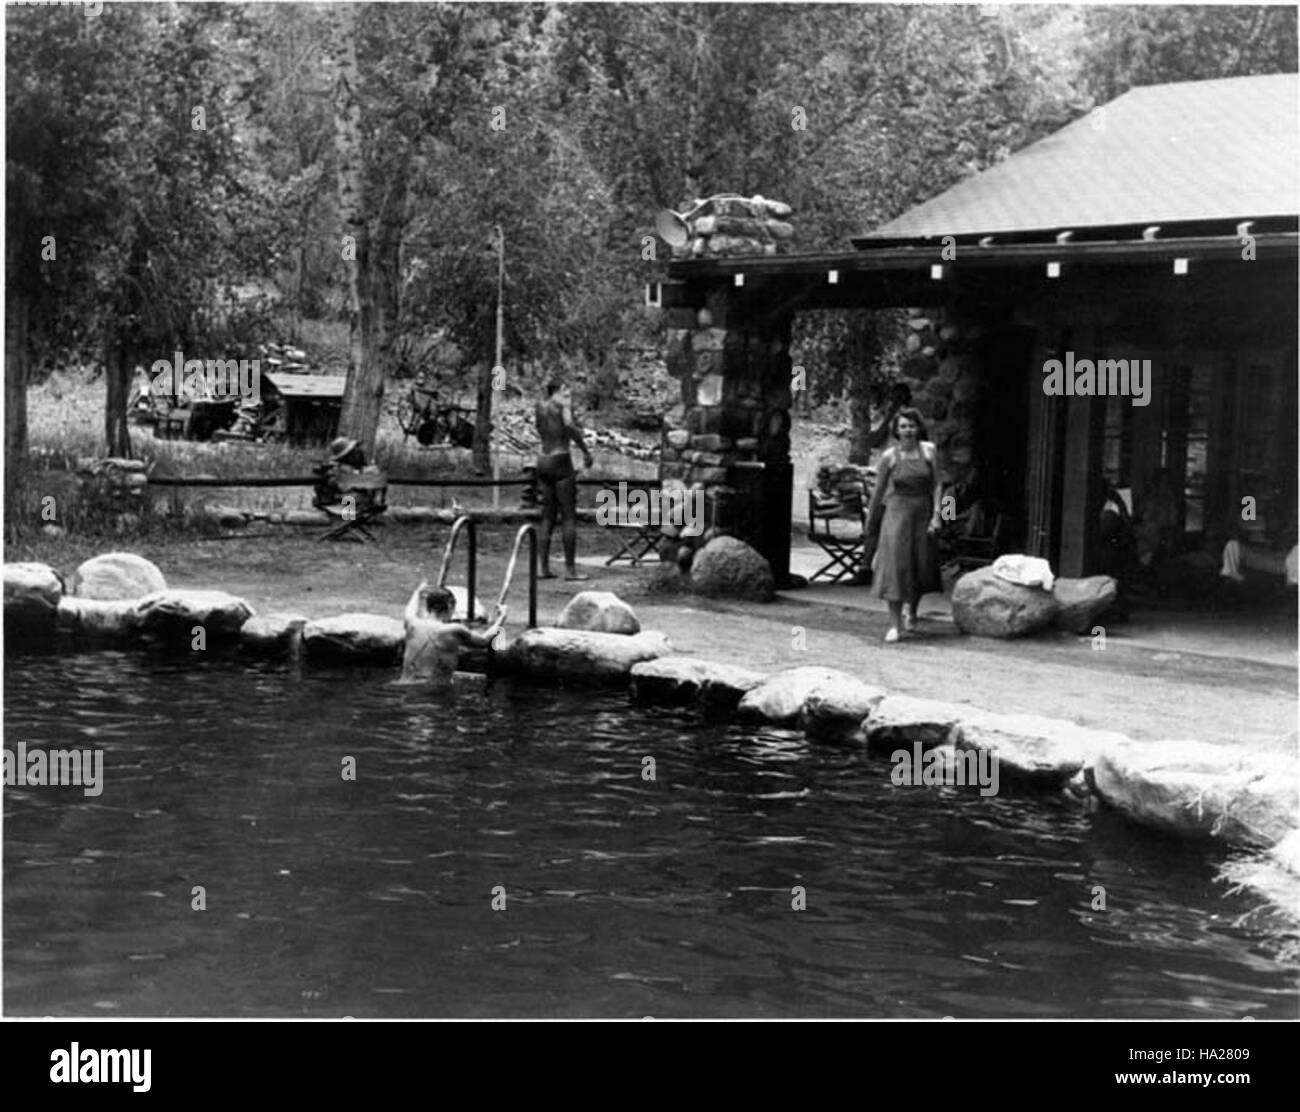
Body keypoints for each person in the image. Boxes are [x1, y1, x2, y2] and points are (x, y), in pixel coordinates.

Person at [863, 407, 943, 642]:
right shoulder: (889, 456)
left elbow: (939, 485)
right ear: (897, 431)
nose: (908, 431)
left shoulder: (929, 451)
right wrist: (871, 521)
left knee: (919, 563)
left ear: (918, 428)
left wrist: (939, 515)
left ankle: (913, 611)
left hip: (922, 511)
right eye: (903, 427)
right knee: (896, 566)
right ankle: (894, 624)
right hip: (896, 514)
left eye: (911, 426)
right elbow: (878, 493)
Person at [534, 379, 593, 580]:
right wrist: (584, 450)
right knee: (568, 516)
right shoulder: (563, 406)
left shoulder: (539, 407)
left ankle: (543, 568)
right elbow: (568, 426)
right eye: (566, 391)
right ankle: (570, 570)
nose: (569, 395)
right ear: (558, 391)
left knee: (547, 516)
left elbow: (540, 429)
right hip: (561, 459)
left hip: (543, 459)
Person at [400, 581, 507, 686]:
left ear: (428, 606)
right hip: (433, 692)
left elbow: (410, 609)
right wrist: (502, 617)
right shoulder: (454, 630)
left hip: (404, 686)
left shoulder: (411, 623)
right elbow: (484, 640)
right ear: (450, 605)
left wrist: (417, 592)